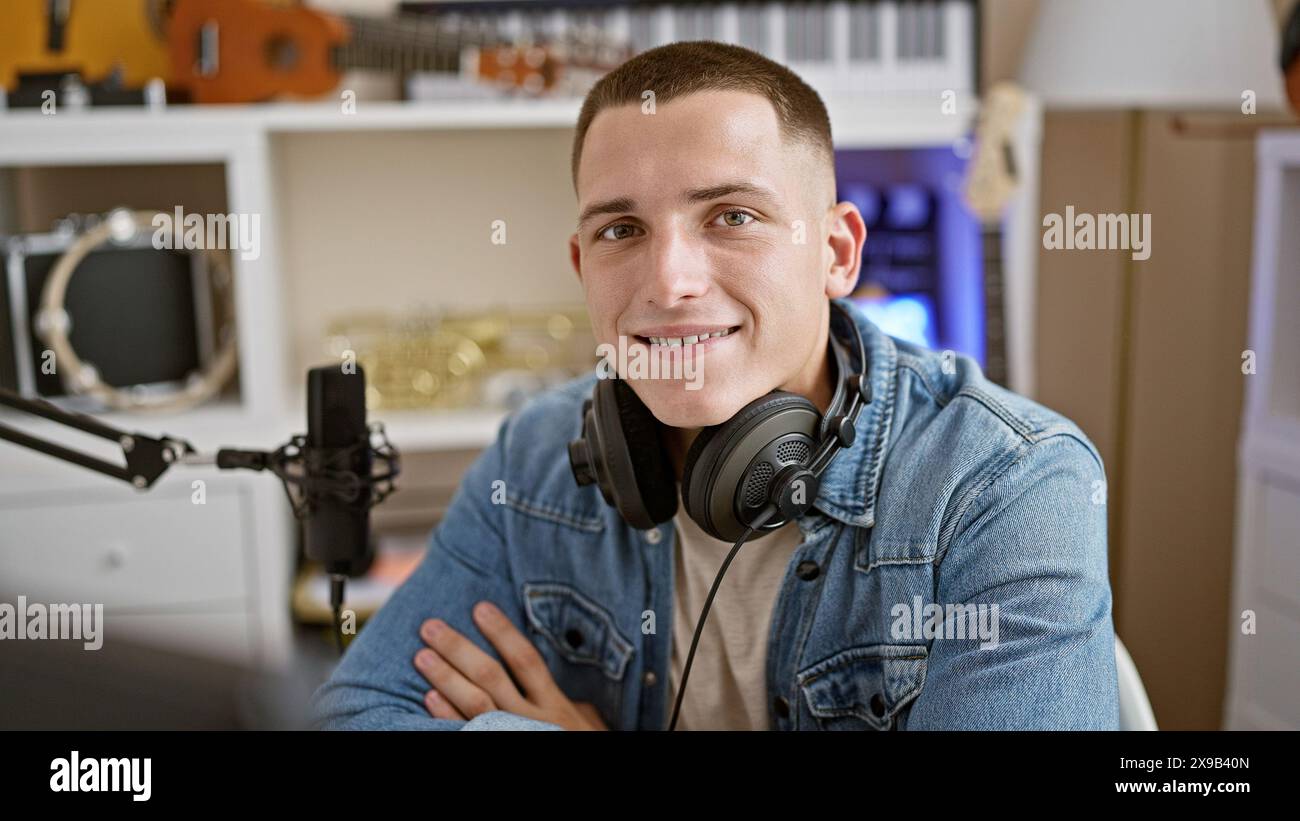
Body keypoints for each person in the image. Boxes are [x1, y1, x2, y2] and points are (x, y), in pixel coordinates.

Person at [310, 40, 1119, 731]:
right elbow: (356, 714)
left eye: (731, 216)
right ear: (582, 266)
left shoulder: (1009, 481)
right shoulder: (534, 458)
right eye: (621, 230)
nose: (668, 281)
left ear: (837, 253)